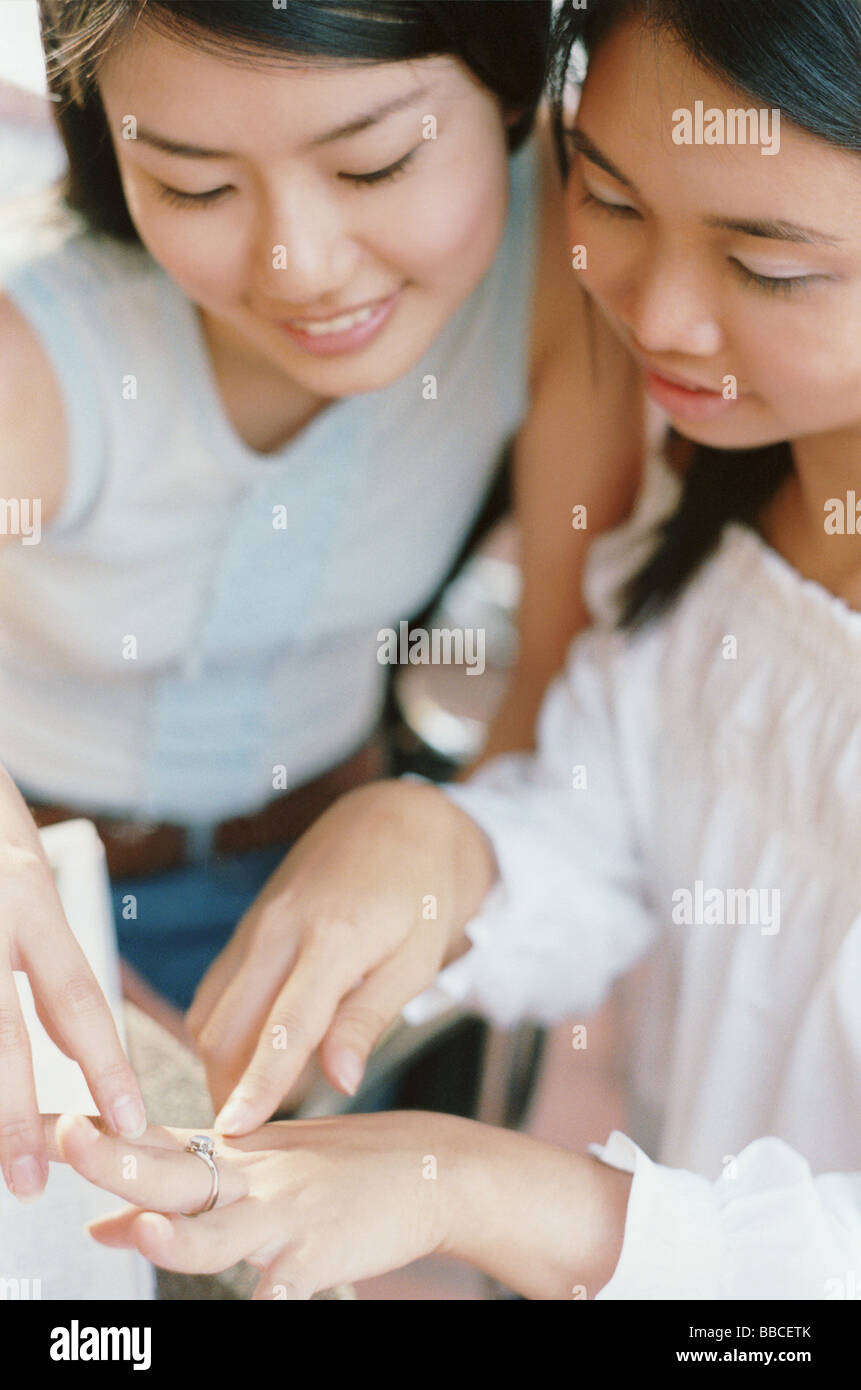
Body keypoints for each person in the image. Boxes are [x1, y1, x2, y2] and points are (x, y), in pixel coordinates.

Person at [51, 0, 861, 1299]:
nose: (655, 314)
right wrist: (449, 844)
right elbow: (621, 827)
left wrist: (486, 1188)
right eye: (609, 199)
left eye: (768, 265)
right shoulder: (720, 489)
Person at [0, 0, 646, 1203]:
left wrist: (436, 920)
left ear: (512, 87)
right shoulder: (44, 336)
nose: (299, 264)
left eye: (374, 163)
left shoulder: (563, 259)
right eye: (193, 187)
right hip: (54, 914)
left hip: (350, 883)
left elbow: (553, 677)